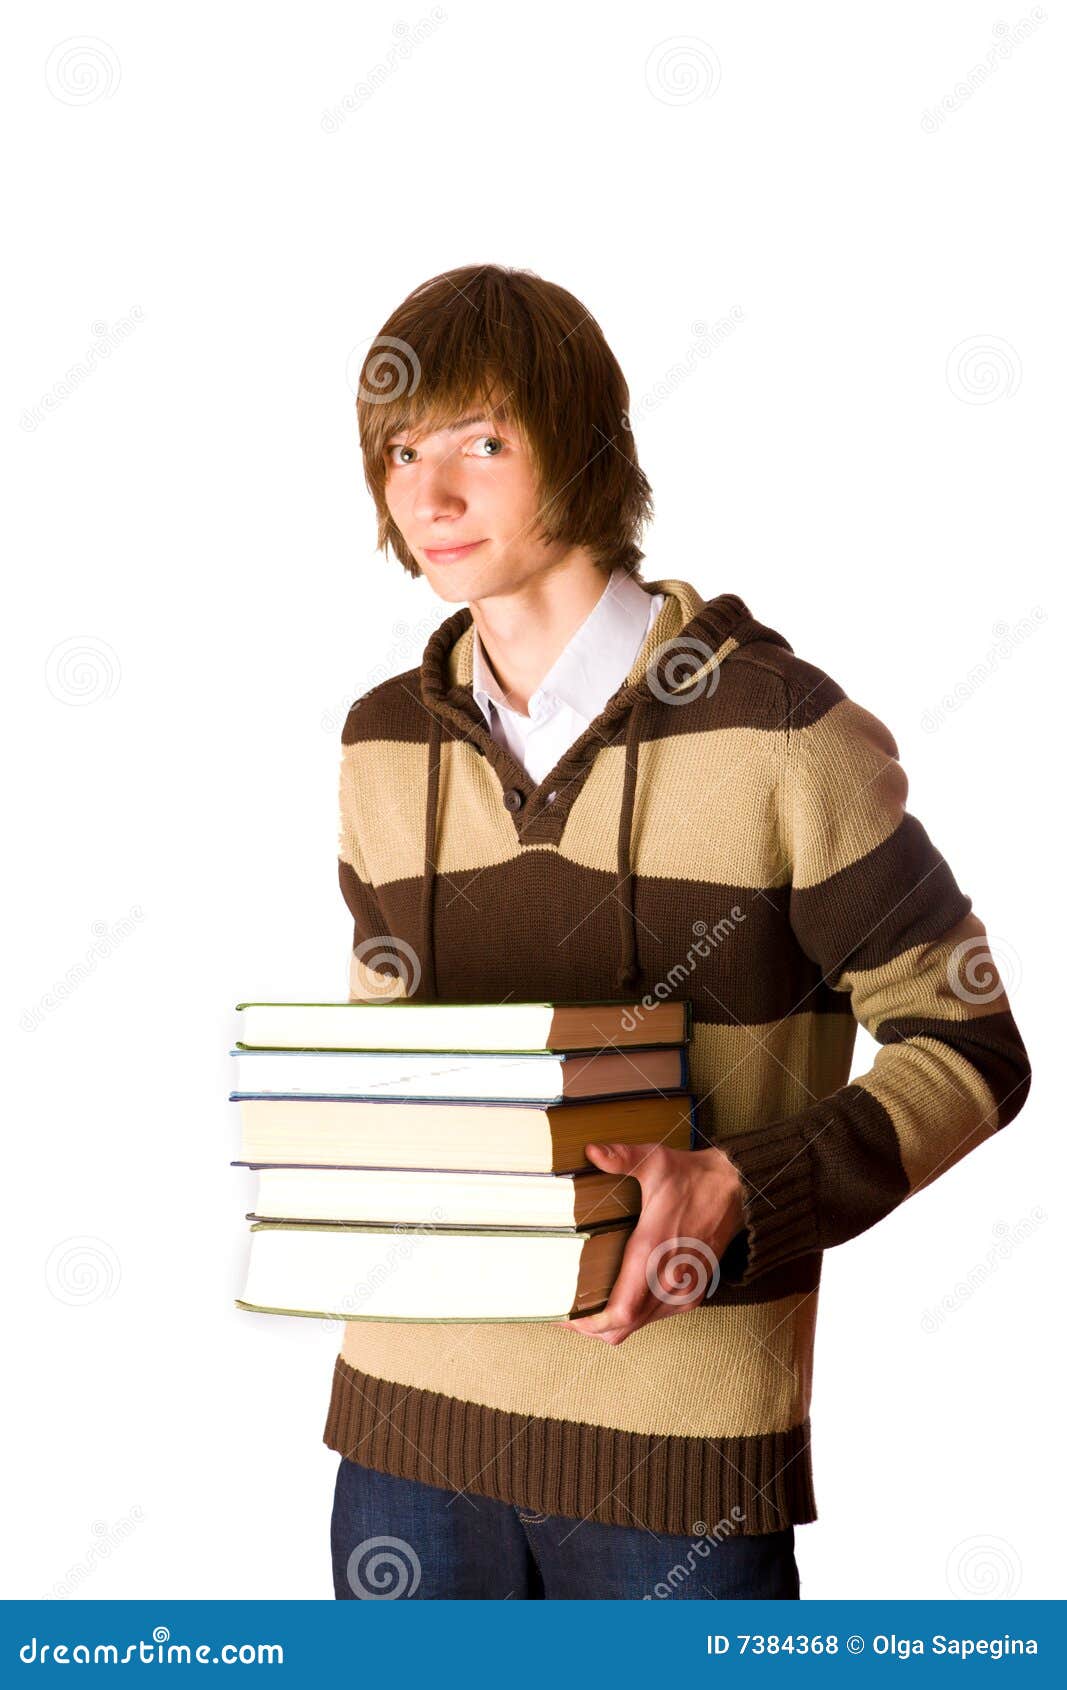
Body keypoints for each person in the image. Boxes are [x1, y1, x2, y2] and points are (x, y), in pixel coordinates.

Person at [326, 264, 1030, 1600]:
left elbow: (973, 1046)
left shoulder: (783, 730)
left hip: (672, 1476)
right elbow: (393, 1069)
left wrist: (740, 1186)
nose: (430, 495)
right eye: (402, 452)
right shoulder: (381, 742)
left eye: (483, 442)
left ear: (585, 449)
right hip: (402, 1437)